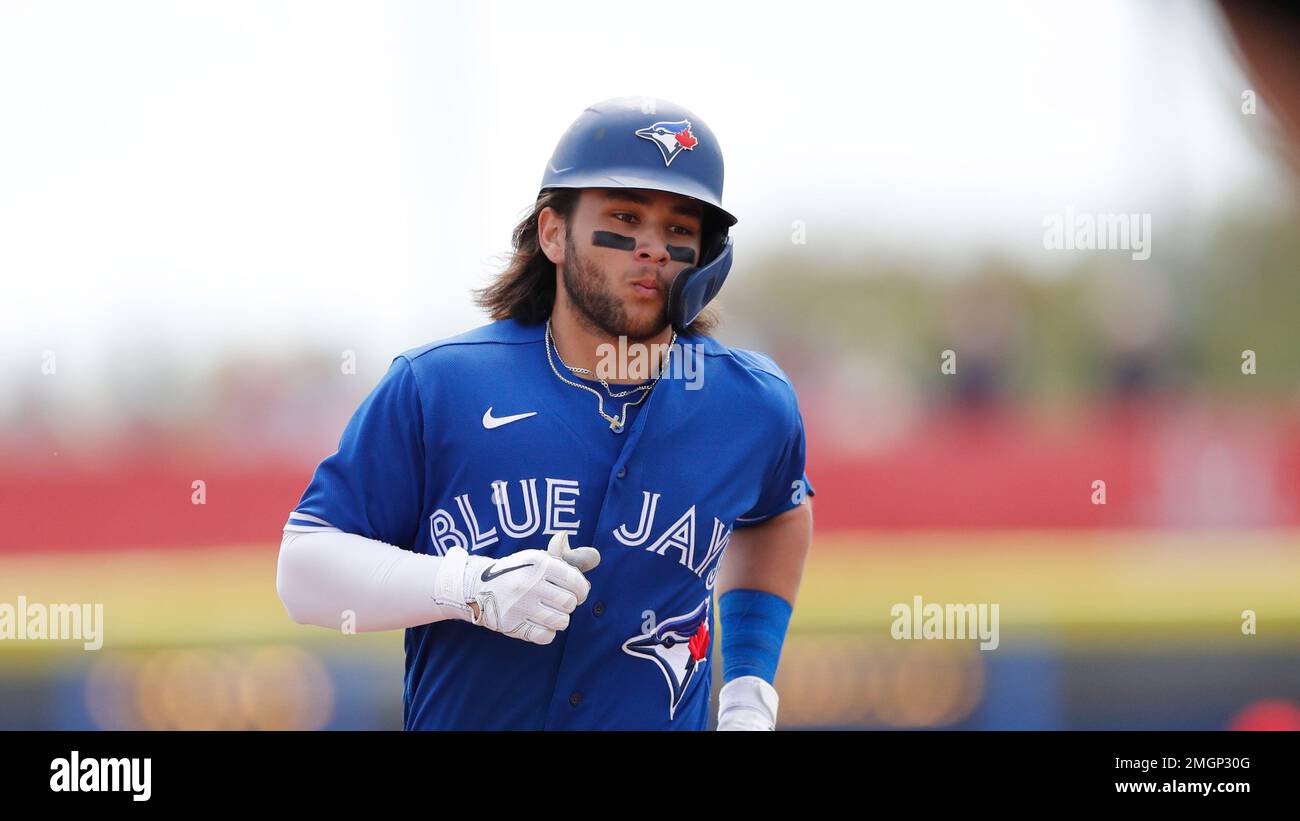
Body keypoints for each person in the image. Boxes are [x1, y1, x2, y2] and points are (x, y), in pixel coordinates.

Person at [276, 96, 815, 730]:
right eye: (624, 216)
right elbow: (304, 571)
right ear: (552, 232)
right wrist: (470, 588)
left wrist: (750, 695)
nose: (653, 248)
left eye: (679, 228)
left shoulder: (749, 404)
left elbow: (778, 513)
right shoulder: (439, 385)